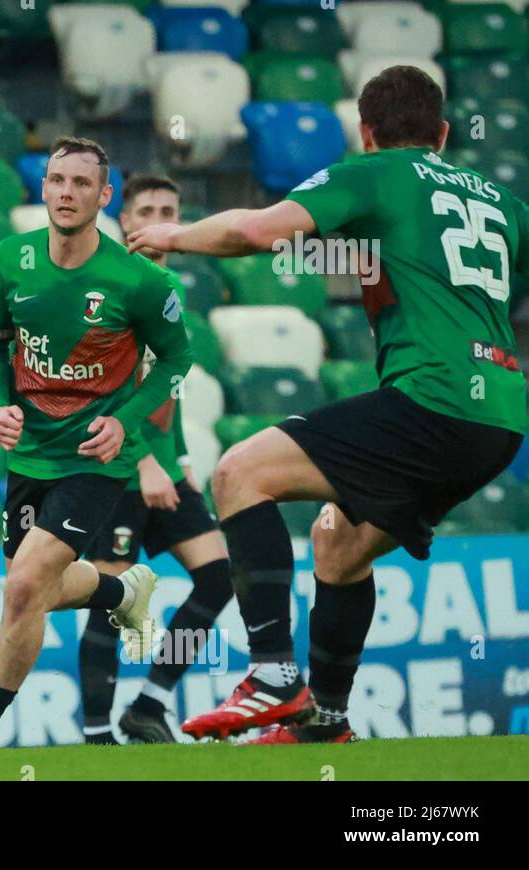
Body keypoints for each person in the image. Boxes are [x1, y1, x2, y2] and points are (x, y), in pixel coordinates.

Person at [127, 65, 528, 744]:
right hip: (500, 422)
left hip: (432, 399)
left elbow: (258, 232)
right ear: (446, 132)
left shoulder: (374, 172)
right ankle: (327, 722)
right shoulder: (505, 203)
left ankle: (273, 676)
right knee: (338, 546)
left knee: (240, 472)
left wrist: (172, 237)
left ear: (367, 134)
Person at [0, 138, 193, 751]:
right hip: (27, 455)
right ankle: (120, 590)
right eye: (57, 180)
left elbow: (176, 360)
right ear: (43, 187)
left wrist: (127, 421)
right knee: (31, 592)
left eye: (82, 183)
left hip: (94, 461)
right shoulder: (10, 259)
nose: (66, 192)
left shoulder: (138, 279)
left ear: (104, 196)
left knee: (23, 587)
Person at [79, 176, 233, 745]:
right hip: (117, 468)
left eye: (169, 210)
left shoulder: (171, 285)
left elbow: (168, 383)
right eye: (147, 210)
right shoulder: (111, 283)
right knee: (111, 597)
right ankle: (96, 734)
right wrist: (143, 463)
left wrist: (183, 458)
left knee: (217, 578)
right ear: (124, 220)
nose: (159, 220)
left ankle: (150, 702)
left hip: (166, 468)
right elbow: (102, 389)